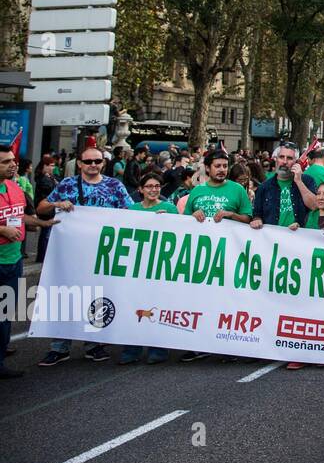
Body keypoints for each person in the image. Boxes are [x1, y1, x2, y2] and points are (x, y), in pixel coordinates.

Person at [36, 145, 131, 366]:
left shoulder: (114, 186)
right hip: (70, 254)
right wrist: (57, 204)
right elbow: (41, 208)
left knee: (97, 296)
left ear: (103, 163)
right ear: (79, 163)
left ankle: (94, 344)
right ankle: (59, 347)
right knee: (66, 295)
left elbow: (132, 213)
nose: (93, 165)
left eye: (97, 161)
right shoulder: (67, 185)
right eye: (88, 162)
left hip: (101, 254)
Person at [1, 143, 57, 379]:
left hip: (13, 260)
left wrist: (42, 224)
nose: (12, 164)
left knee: (5, 312)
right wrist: (2, 230)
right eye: (5, 162)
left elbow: (19, 216)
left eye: (13, 160)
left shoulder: (13, 187)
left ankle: (1, 354)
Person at [120, 172, 174, 365]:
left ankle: (158, 349)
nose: (153, 190)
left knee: (157, 306)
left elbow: (182, 233)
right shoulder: (133, 209)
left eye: (157, 186)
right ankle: (131, 349)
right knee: (134, 306)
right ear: (141, 190)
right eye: (149, 186)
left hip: (160, 267)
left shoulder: (169, 208)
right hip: (137, 266)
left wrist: (168, 220)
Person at [250, 144, 309, 231]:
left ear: (296, 162)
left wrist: (299, 182)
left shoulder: (307, 181)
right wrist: (257, 220)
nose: (284, 162)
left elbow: (314, 206)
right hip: (271, 240)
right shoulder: (264, 187)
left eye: (289, 158)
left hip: (298, 239)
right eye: (281, 157)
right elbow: (257, 214)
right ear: (276, 159)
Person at [185, 150, 253, 224]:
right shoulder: (196, 190)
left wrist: (232, 215)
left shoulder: (238, 189)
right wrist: (193, 216)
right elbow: (184, 220)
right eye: (217, 166)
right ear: (207, 168)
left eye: (225, 166)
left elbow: (248, 219)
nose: (222, 170)